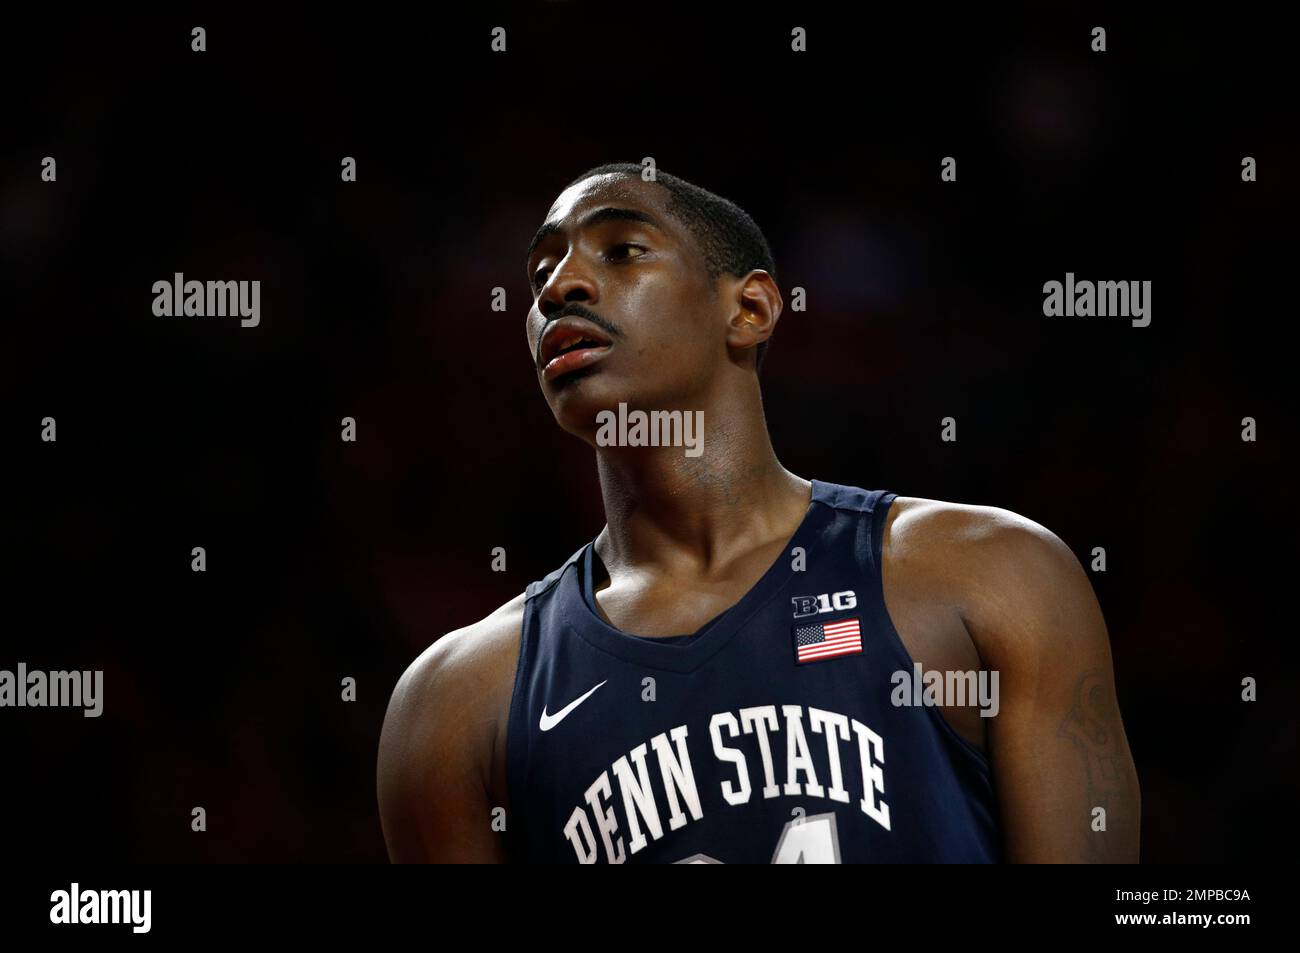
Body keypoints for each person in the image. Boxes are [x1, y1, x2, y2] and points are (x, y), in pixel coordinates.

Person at [377, 163, 1140, 863]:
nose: (559, 288)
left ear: (750, 307)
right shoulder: (455, 700)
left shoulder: (991, 570)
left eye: (620, 250)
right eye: (541, 272)